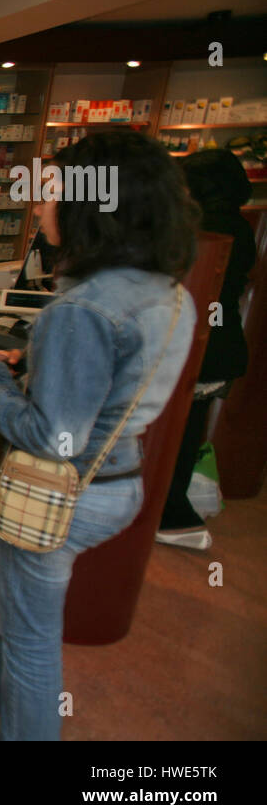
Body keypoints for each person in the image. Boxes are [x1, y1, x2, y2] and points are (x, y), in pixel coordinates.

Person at [0, 130, 197, 740]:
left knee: (30, 640)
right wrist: (37, 370)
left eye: (52, 191)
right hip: (118, 480)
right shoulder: (166, 292)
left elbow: (52, 436)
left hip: (63, 497)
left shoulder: (82, 309)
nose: (40, 205)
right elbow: (116, 386)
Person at [157, 148, 257, 550]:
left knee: (174, 440)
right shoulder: (238, 225)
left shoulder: (204, 231)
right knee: (185, 434)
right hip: (221, 346)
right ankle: (174, 511)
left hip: (201, 348)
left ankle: (173, 515)